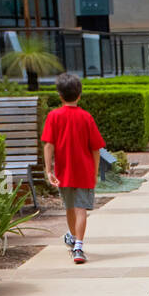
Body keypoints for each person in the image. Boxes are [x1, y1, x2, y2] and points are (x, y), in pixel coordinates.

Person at [41, 72, 104, 265]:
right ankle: (78, 244)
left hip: (63, 171)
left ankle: (73, 238)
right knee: (81, 209)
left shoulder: (53, 116)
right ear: (79, 94)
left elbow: (48, 144)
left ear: (60, 95)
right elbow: (96, 148)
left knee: (69, 207)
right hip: (84, 170)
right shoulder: (86, 117)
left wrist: (48, 169)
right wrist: (94, 172)